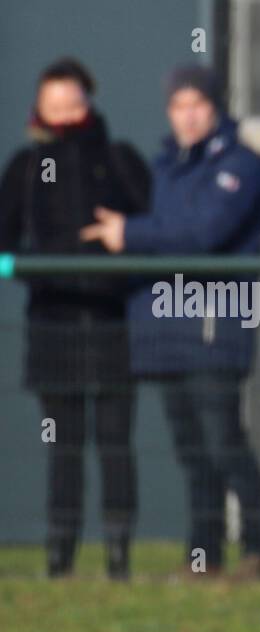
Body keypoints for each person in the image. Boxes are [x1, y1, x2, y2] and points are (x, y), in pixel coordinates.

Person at [81, 65, 260, 579]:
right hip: (166, 330)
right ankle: (206, 558)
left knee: (224, 442)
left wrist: (130, 232)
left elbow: (203, 232)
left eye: (197, 103)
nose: (187, 114)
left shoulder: (242, 163)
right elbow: (173, 231)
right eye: (178, 105)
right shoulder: (163, 165)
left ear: (215, 106)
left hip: (215, 327)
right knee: (193, 455)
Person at [0, 58, 150, 579]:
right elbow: (5, 245)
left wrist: (118, 253)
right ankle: (59, 558)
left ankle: (118, 559)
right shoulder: (23, 168)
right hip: (52, 325)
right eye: (53, 103)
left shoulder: (119, 159)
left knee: (115, 444)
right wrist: (38, 270)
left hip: (113, 323)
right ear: (39, 106)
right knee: (61, 446)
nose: (63, 113)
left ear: (89, 99)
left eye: (72, 101)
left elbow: (151, 228)